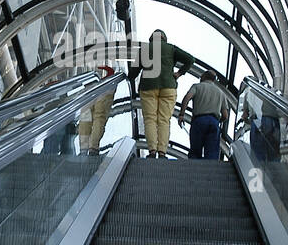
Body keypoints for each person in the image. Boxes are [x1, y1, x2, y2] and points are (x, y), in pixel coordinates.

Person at [128, 29, 194, 159]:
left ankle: (152, 151)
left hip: (148, 87)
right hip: (168, 87)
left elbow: (133, 73)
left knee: (150, 119)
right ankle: (162, 152)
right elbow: (190, 59)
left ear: (151, 38)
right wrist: (179, 73)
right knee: (164, 120)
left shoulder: (144, 49)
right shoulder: (171, 48)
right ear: (164, 38)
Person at [179, 71, 230, 160]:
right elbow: (225, 116)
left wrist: (182, 114)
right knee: (212, 152)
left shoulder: (197, 86)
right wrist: (218, 121)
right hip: (214, 122)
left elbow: (187, 98)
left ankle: (194, 170)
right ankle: (210, 170)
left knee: (195, 150)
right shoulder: (221, 93)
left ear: (203, 77)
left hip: (199, 120)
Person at [78, 65, 116, 154]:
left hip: (87, 85)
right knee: (99, 117)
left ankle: (83, 148)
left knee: (85, 117)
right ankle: (93, 147)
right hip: (106, 84)